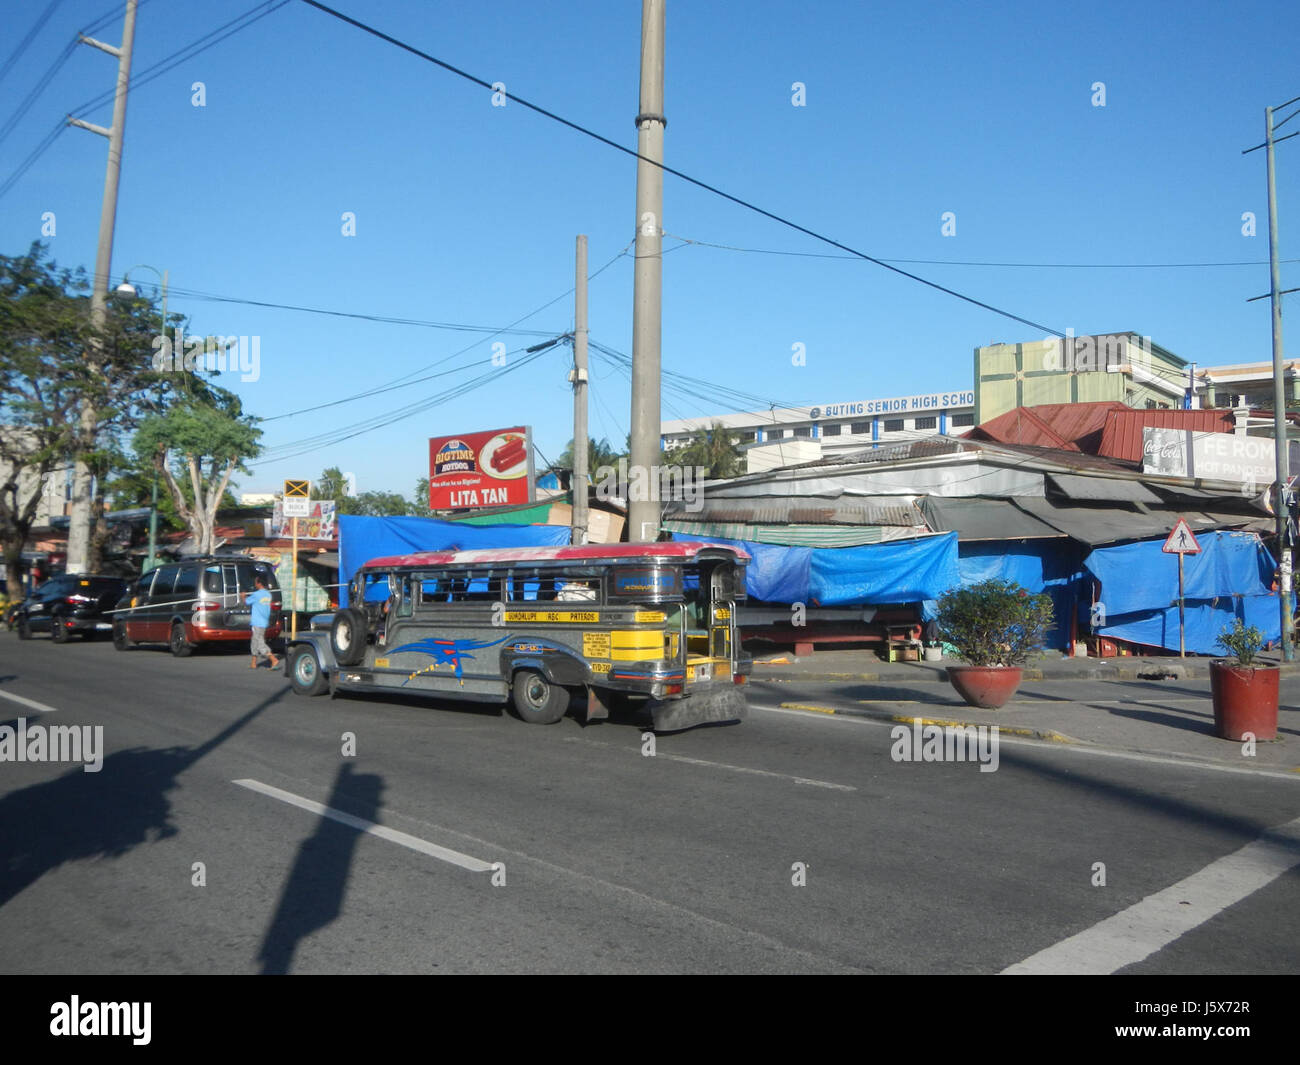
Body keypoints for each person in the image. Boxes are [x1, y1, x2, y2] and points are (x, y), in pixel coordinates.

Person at [246, 576, 279, 670]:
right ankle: (253, 663)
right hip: (263, 622)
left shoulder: (256, 594)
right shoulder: (268, 594)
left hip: (257, 622)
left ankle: (273, 659)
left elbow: (247, 602)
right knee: (255, 641)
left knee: (260, 643)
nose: (254, 584)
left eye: (255, 582)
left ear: (259, 583)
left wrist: (243, 596)